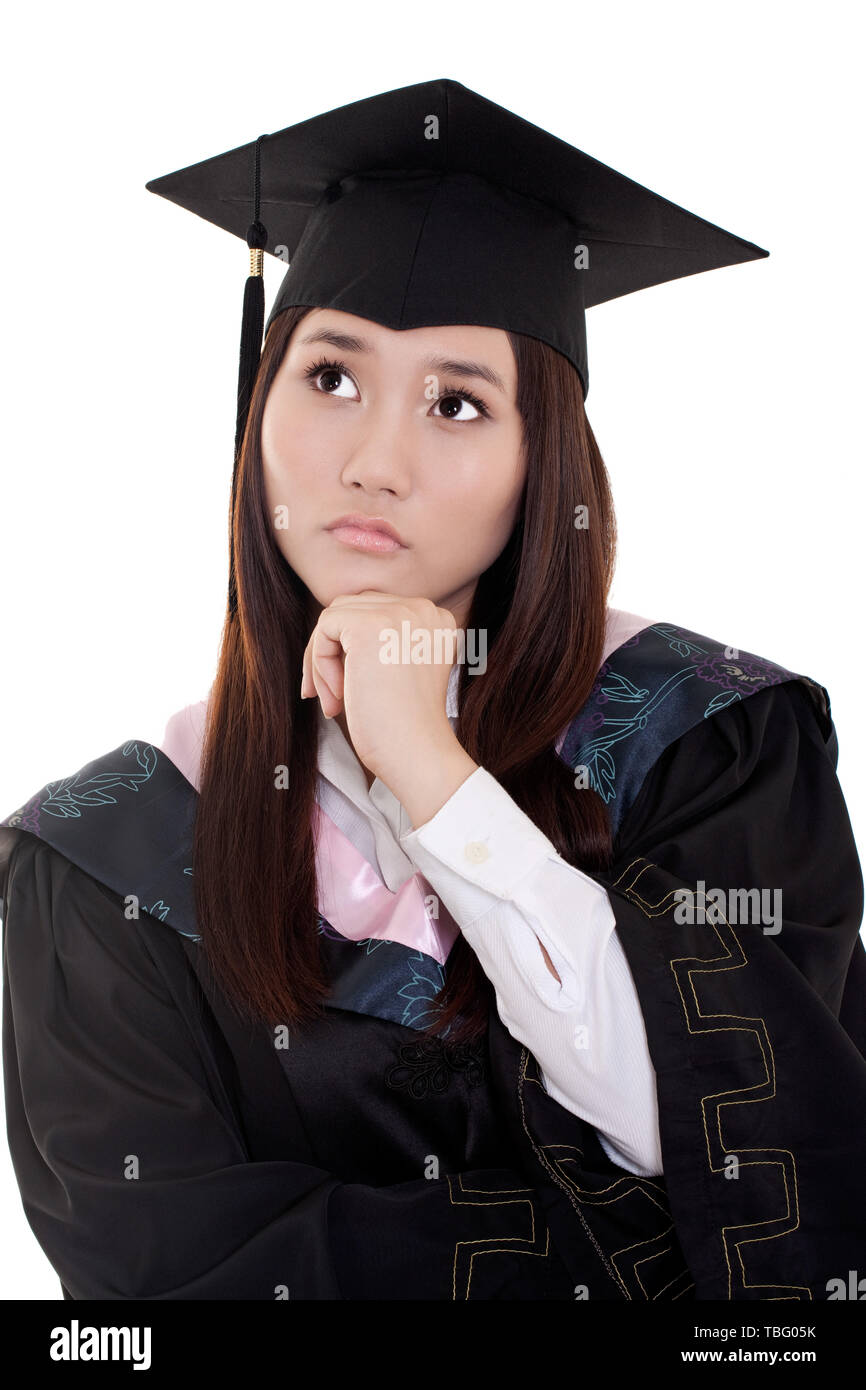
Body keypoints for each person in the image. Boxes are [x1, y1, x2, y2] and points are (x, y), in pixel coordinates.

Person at [1, 78, 864, 1302]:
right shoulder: (103, 856)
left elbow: (766, 1171)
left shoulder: (710, 744)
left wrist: (436, 775)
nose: (374, 461)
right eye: (330, 379)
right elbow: (169, 1281)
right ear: (258, 412)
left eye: (456, 402)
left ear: (539, 462)